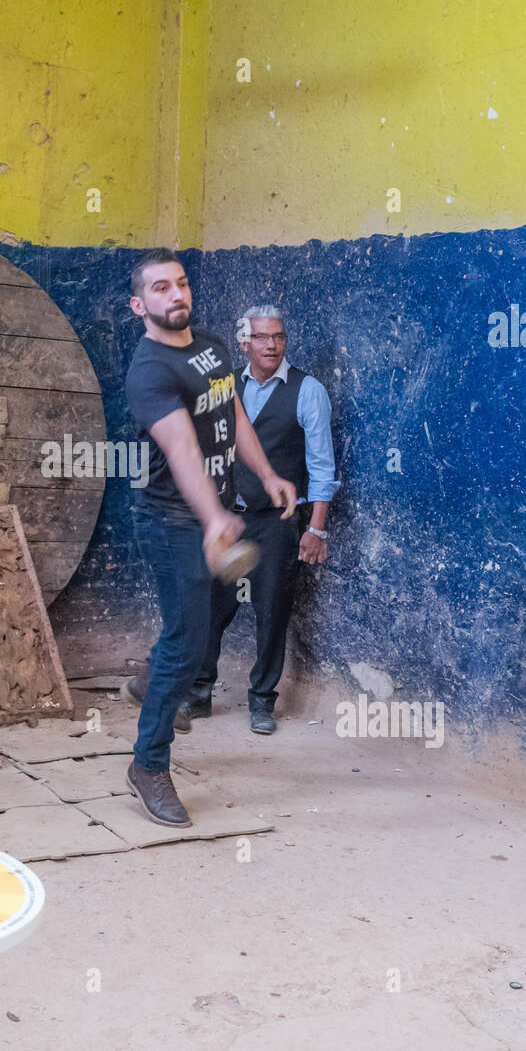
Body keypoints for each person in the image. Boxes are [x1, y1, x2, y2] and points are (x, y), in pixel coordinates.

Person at [123, 252, 296, 827]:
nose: (175, 294)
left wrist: (267, 474)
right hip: (174, 520)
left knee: (189, 636)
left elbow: (235, 419)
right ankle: (148, 765)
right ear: (139, 304)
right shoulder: (148, 370)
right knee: (188, 646)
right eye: (160, 288)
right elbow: (181, 449)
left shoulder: (215, 346)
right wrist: (213, 517)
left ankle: (151, 677)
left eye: (181, 283)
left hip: (213, 514)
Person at [186, 305, 340, 733]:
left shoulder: (308, 391)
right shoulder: (223, 387)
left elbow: (322, 467)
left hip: (276, 521)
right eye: (261, 337)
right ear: (244, 343)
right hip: (226, 519)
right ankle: (198, 692)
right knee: (209, 607)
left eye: (279, 337)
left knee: (271, 611)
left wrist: (316, 527)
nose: (271, 345)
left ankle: (261, 701)